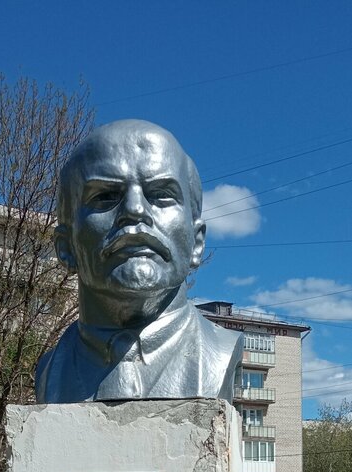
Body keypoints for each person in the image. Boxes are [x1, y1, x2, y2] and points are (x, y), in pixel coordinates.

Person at [35, 119, 243, 403]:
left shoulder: (220, 353)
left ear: (197, 243)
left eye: (160, 195)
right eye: (105, 196)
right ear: (66, 246)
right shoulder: (49, 371)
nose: (134, 211)